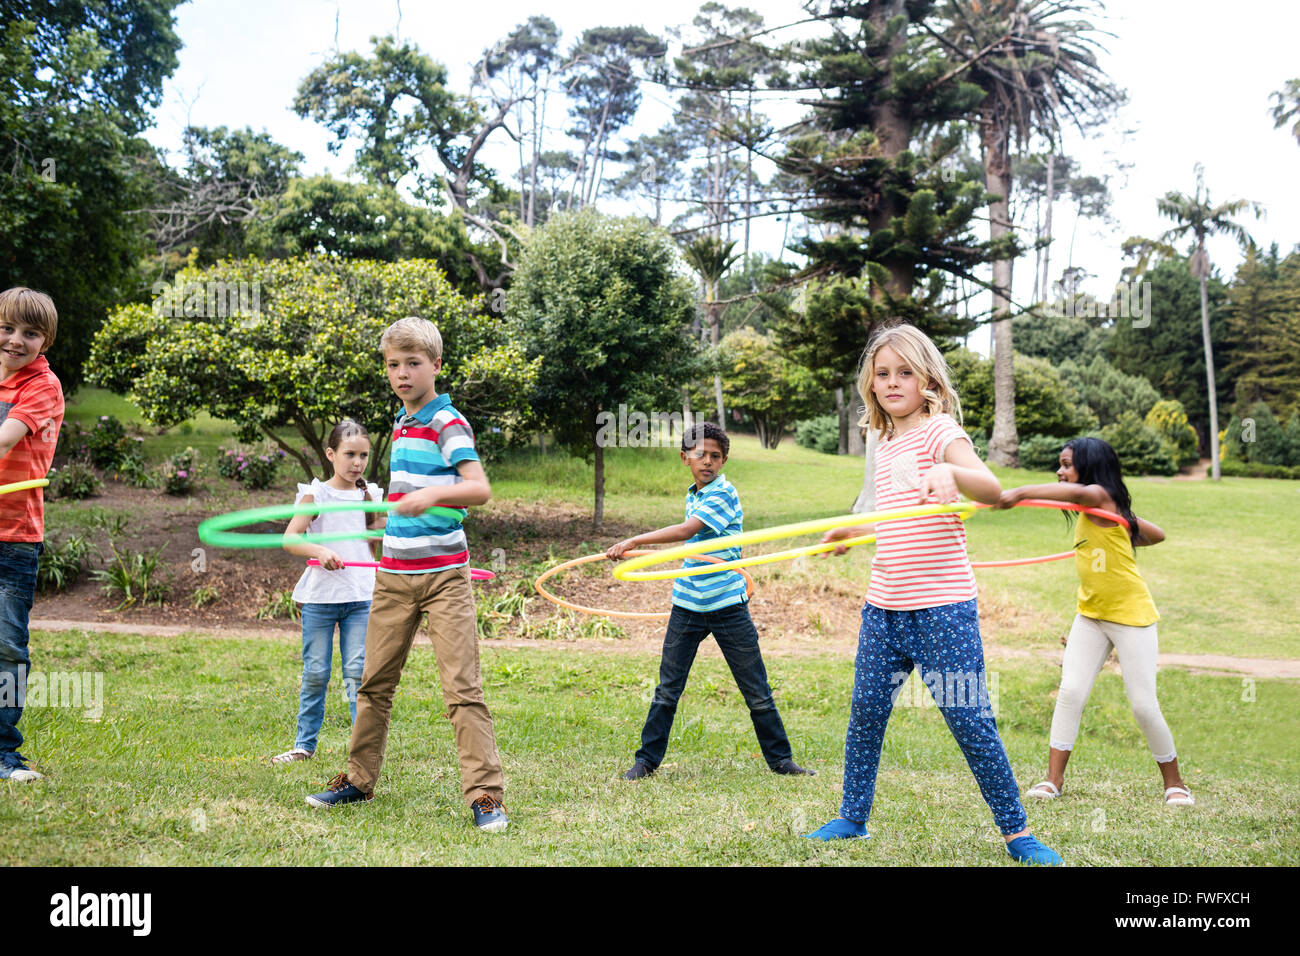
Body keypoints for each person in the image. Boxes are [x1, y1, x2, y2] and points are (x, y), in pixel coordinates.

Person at [804, 323, 1062, 865]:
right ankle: (853, 817)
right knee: (866, 711)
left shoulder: (939, 430)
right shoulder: (883, 439)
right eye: (882, 373)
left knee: (969, 719)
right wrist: (849, 534)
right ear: (869, 385)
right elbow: (885, 516)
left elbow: (992, 491)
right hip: (884, 606)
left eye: (905, 372)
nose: (892, 382)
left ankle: (1017, 835)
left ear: (927, 381)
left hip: (942, 606)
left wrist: (950, 471)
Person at [305, 317, 508, 833]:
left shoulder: (447, 422)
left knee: (462, 688)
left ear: (435, 366)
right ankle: (357, 779)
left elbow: (479, 488)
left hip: (443, 576)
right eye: (393, 364)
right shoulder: (400, 422)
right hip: (393, 574)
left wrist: (433, 495)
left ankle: (485, 797)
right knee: (372, 683)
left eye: (413, 363)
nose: (401, 373)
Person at [606, 422, 813, 781]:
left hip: (727, 604)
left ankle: (782, 762)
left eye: (716, 456)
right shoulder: (695, 493)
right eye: (700, 454)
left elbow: (687, 532)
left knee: (756, 690)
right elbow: (690, 541)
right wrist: (637, 553)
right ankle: (646, 762)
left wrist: (635, 541)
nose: (708, 462)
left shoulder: (723, 493)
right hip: (687, 603)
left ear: (725, 460)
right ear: (684, 457)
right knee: (667, 689)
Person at [996, 436, 1192, 806]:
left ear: (1090, 469)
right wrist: (1128, 526)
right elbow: (1157, 534)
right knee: (1070, 693)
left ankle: (1175, 783)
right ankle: (1053, 781)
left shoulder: (1098, 496)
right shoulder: (1099, 507)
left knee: (1143, 705)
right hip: (1090, 616)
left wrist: (1016, 493)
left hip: (1131, 617)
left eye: (1067, 464)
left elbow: (1156, 534)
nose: (1059, 470)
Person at [271, 419, 384, 764]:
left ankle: (361, 751)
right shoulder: (316, 493)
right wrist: (320, 552)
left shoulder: (371, 495)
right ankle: (304, 745)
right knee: (317, 671)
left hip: (360, 596)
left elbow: (381, 539)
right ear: (331, 453)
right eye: (350, 454)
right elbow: (291, 538)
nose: (357, 463)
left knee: (356, 671)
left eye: (363, 455)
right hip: (320, 598)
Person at [0, 288, 65, 783]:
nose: (16, 340)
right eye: (7, 328)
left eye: (30, 333)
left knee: (6, 647)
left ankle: (3, 754)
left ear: (44, 342)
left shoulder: (42, 386)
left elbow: (4, 442)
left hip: (13, 536)